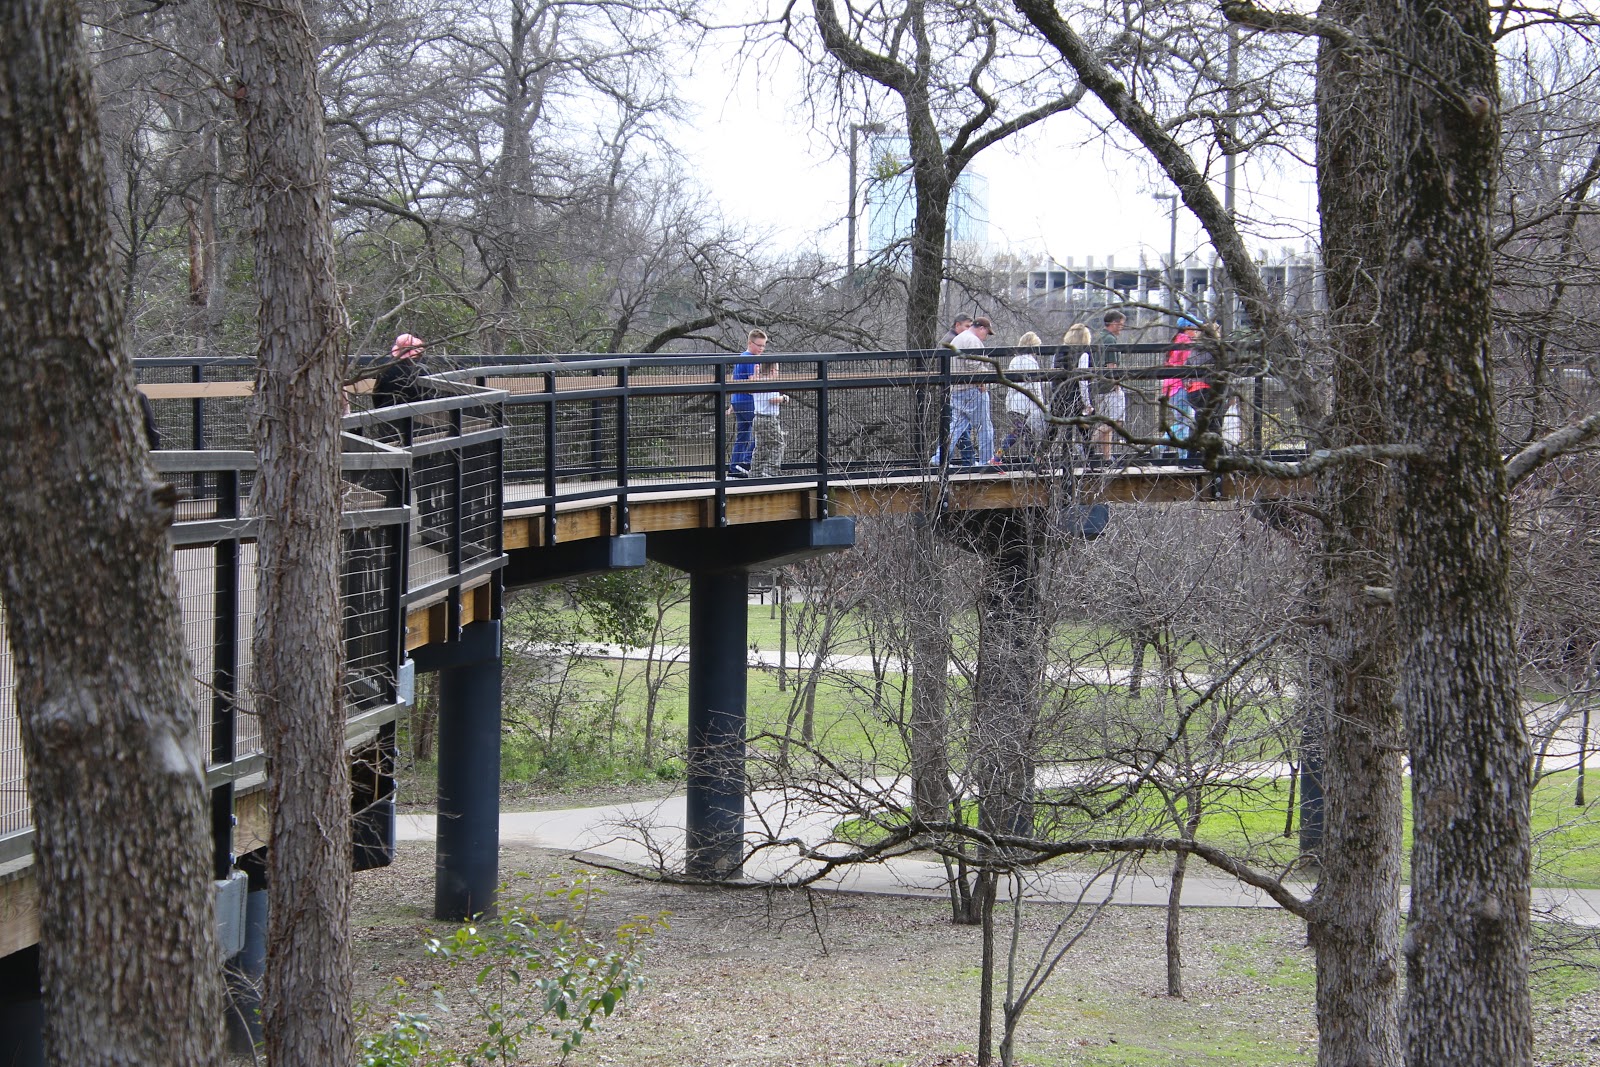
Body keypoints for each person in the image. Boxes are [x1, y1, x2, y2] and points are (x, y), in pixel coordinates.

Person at [931, 316, 996, 469]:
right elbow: (973, 365)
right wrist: (982, 381)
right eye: (986, 333)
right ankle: (987, 461)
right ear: (982, 329)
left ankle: (939, 459)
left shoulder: (959, 339)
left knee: (954, 428)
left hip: (956, 389)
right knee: (984, 426)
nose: (985, 337)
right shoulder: (973, 340)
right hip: (972, 390)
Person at [993, 331, 1046, 464]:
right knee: (1021, 434)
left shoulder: (1015, 360)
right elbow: (1035, 386)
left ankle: (1033, 458)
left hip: (1012, 403)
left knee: (1019, 433)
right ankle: (1035, 458)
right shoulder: (1031, 362)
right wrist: (1041, 404)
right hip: (1023, 406)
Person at [1162, 317, 1201, 461]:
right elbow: (1187, 364)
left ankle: (1183, 455)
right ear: (1188, 328)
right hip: (1180, 385)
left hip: (1170, 385)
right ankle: (1160, 445)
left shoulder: (1176, 339)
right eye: (1195, 327)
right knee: (1184, 421)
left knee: (1182, 421)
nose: (1197, 331)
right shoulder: (1186, 341)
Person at [727, 329, 764, 477]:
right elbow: (752, 382)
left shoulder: (741, 356)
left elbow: (736, 380)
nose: (761, 349)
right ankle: (745, 462)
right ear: (750, 343)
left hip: (737, 401)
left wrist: (732, 404)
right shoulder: (751, 358)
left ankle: (734, 469)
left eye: (763, 346)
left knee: (743, 436)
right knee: (762, 431)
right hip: (748, 401)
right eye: (758, 345)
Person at [749, 362, 789, 477]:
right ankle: (771, 470)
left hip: (757, 418)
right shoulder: (771, 384)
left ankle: (755, 471)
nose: (778, 373)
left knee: (761, 445)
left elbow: (750, 392)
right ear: (772, 371)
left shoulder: (757, 382)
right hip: (769, 419)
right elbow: (772, 399)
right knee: (778, 444)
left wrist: (756, 374)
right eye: (777, 371)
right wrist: (784, 398)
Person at [372, 333, 430, 408]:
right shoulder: (422, 370)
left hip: (387, 414)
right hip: (418, 414)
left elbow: (376, 397)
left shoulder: (386, 369)